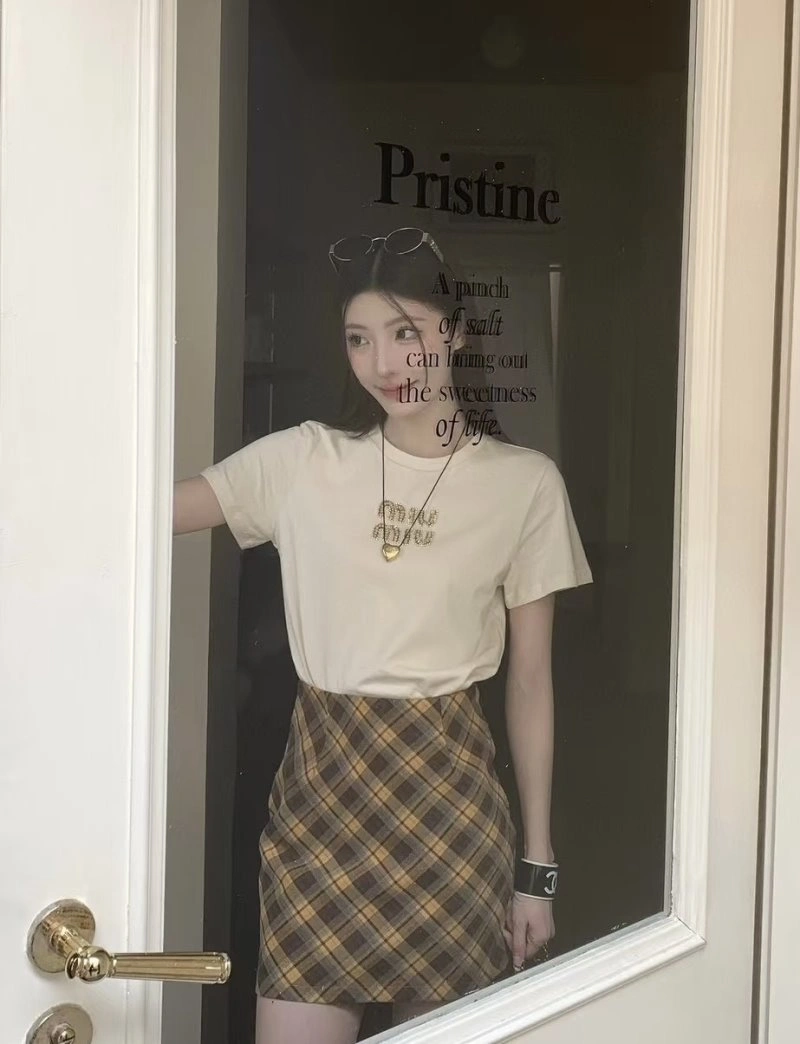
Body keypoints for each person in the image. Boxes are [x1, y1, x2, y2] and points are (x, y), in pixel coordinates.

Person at [173, 227, 593, 1044]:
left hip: (450, 819)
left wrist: (535, 871)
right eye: (359, 339)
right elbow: (136, 510)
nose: (385, 363)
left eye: (406, 333)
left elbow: (531, 684)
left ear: (456, 331)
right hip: (319, 814)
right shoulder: (301, 462)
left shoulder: (525, 486)